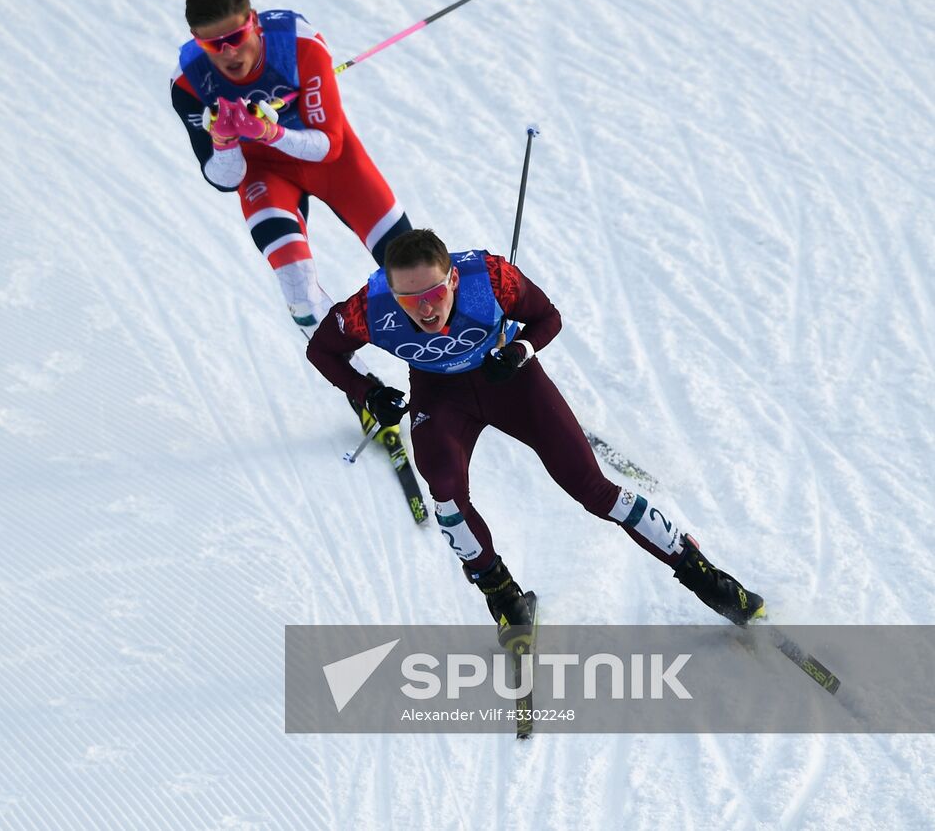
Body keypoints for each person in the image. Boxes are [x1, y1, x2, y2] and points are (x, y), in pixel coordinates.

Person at [305, 228, 765, 642]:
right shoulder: (370, 307)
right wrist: (368, 393)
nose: (425, 309)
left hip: (510, 381)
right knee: (444, 494)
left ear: (453, 281)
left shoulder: (490, 277)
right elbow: (321, 349)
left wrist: (520, 350)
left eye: (433, 293)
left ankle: (706, 576)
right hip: (441, 397)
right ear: (392, 291)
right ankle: (505, 599)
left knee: (593, 490)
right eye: (409, 300)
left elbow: (548, 318)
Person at [170, 0, 412, 347]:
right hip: (263, 173)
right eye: (214, 45)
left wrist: (272, 133)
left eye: (235, 37)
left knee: (412, 264)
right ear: (197, 41)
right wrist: (223, 141)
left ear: (254, 22)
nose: (229, 52)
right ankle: (359, 385)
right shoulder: (188, 83)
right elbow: (223, 179)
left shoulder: (300, 45)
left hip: (335, 163)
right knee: (296, 282)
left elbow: (329, 146)